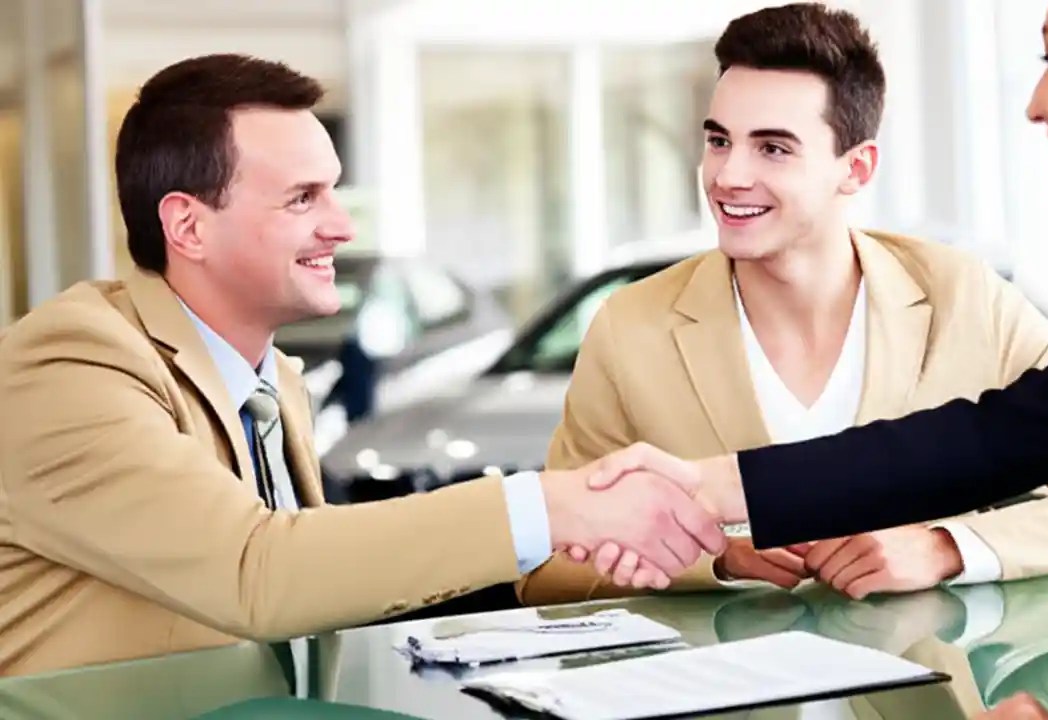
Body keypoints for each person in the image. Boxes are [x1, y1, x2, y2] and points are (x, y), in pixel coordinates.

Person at [584, 0, 1048, 716]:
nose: (1035, 104)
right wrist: (712, 487)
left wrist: (948, 547)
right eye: (720, 141)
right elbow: (986, 438)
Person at [0, 54, 722, 676]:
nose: (341, 226)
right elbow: (257, 573)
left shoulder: (274, 382)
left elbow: (326, 586)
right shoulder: (68, 366)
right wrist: (551, 505)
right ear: (188, 225)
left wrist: (623, 536)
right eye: (302, 198)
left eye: (333, 191)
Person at [516, 2, 1048, 607]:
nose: (728, 175)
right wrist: (712, 559)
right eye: (719, 141)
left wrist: (947, 546)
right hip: (727, 667)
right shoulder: (630, 329)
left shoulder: (966, 299)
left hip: (934, 664)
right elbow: (542, 564)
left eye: (773, 148)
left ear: (856, 168)